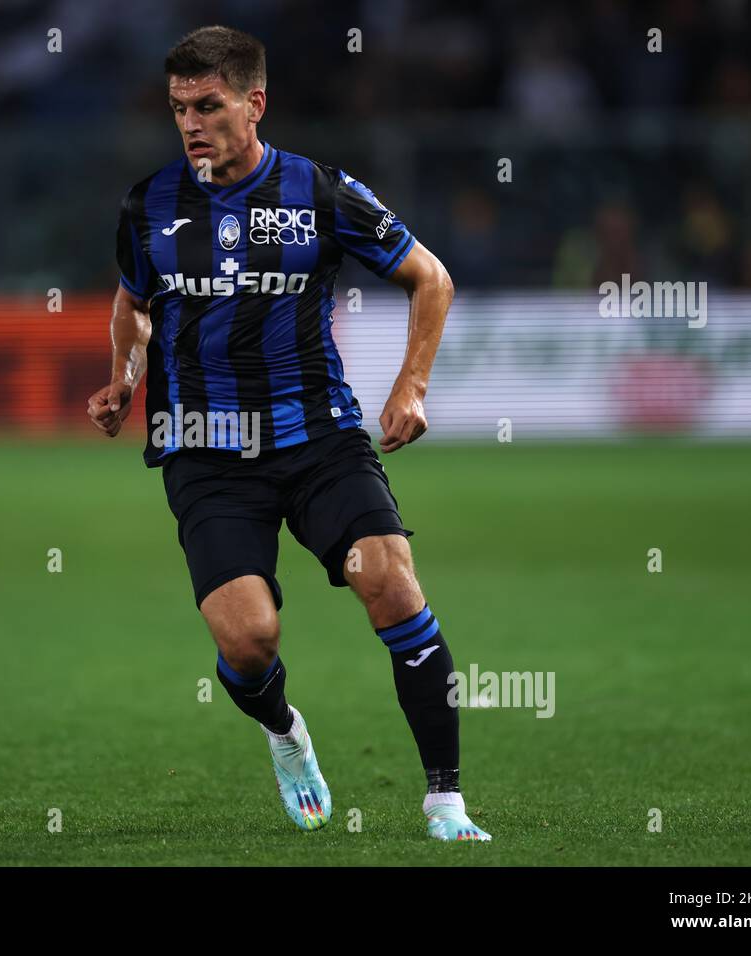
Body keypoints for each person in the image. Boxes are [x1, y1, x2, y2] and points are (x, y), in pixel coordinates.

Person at [87, 25, 490, 841]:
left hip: (317, 437)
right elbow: (132, 303)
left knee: (391, 582)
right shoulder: (148, 204)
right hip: (204, 447)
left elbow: (431, 278)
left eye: (208, 105)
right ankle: (283, 730)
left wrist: (412, 383)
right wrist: (126, 376)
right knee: (249, 638)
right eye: (178, 109)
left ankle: (446, 802)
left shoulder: (322, 192)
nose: (191, 123)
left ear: (254, 103)